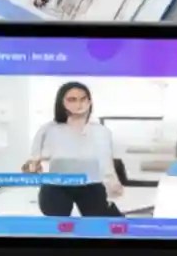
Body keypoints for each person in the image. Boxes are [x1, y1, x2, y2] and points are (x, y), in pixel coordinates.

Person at [22, 82, 124, 217]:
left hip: (91, 185)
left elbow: (106, 164)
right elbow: (32, 162)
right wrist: (32, 168)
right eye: (72, 100)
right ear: (62, 102)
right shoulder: (48, 130)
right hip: (57, 186)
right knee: (57, 226)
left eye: (83, 99)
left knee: (106, 225)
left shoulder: (101, 131)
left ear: (89, 101)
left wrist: (113, 187)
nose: (79, 104)